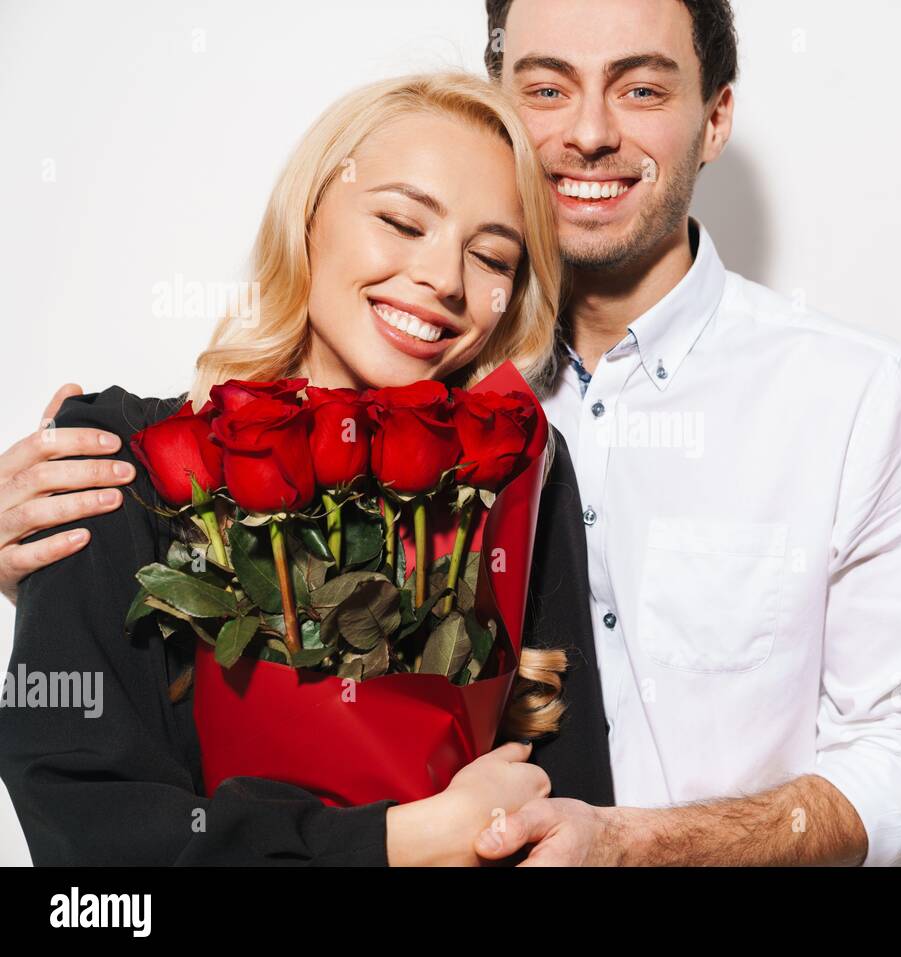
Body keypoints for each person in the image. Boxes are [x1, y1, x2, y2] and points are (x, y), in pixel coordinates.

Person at [1, 0, 901, 869]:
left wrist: (633, 843)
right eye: (547, 86)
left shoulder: (837, 398)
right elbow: (96, 829)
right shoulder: (138, 457)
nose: (589, 130)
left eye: (641, 87)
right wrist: (65, 573)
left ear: (713, 115)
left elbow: (898, 755)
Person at [0, 71, 613, 865]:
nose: (446, 279)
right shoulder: (121, 459)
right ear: (309, 215)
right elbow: (93, 843)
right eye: (400, 220)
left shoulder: (516, 475)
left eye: (491, 256)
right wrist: (397, 842)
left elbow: (568, 801)